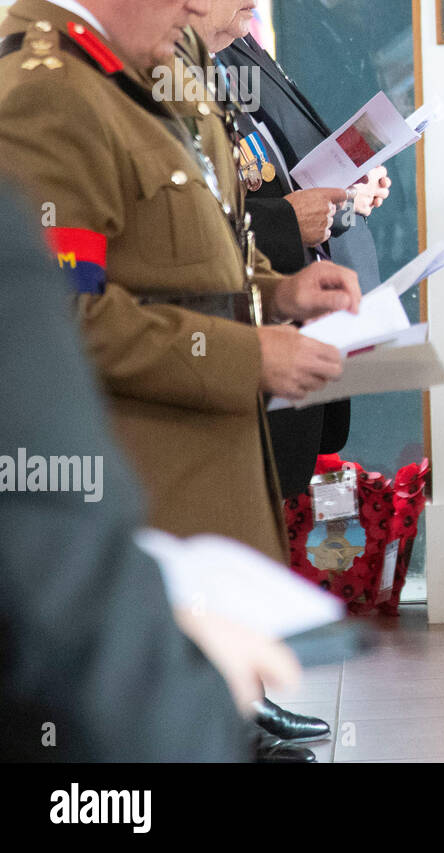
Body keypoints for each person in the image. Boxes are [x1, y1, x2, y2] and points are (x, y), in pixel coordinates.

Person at [0, 0, 361, 756]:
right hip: (144, 509)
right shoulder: (44, 92)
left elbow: (176, 260)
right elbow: (65, 318)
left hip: (203, 502)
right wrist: (255, 355)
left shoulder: (132, 74)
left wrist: (278, 294)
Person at [0, 184, 301, 762]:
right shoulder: (61, 104)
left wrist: (277, 292)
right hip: (160, 474)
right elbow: (49, 566)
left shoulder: (157, 104)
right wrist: (180, 701)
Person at [199, 0, 390, 501]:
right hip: (220, 368)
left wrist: (337, 194)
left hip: (278, 330)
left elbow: (269, 165)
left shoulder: (235, 51)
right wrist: (287, 222)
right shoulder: (159, 77)